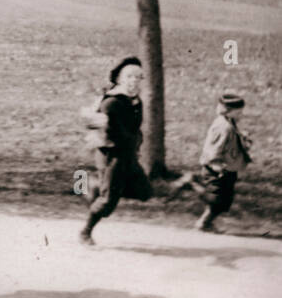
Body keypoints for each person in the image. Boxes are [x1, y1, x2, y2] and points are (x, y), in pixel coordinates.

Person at [79, 56, 151, 246]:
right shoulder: (112, 103)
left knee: (144, 191)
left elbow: (135, 129)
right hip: (112, 155)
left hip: (127, 153)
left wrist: (136, 145)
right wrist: (134, 144)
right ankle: (85, 232)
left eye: (139, 77)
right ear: (120, 79)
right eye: (130, 77)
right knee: (108, 202)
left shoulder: (136, 102)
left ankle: (96, 186)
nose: (135, 81)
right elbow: (116, 134)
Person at [168, 92, 252, 232]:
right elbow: (214, 147)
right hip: (217, 168)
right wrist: (216, 164)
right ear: (228, 111)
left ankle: (204, 223)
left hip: (229, 168)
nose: (241, 115)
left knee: (224, 201)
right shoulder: (223, 127)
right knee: (215, 199)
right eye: (239, 112)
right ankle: (191, 183)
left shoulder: (229, 123)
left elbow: (231, 141)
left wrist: (243, 138)